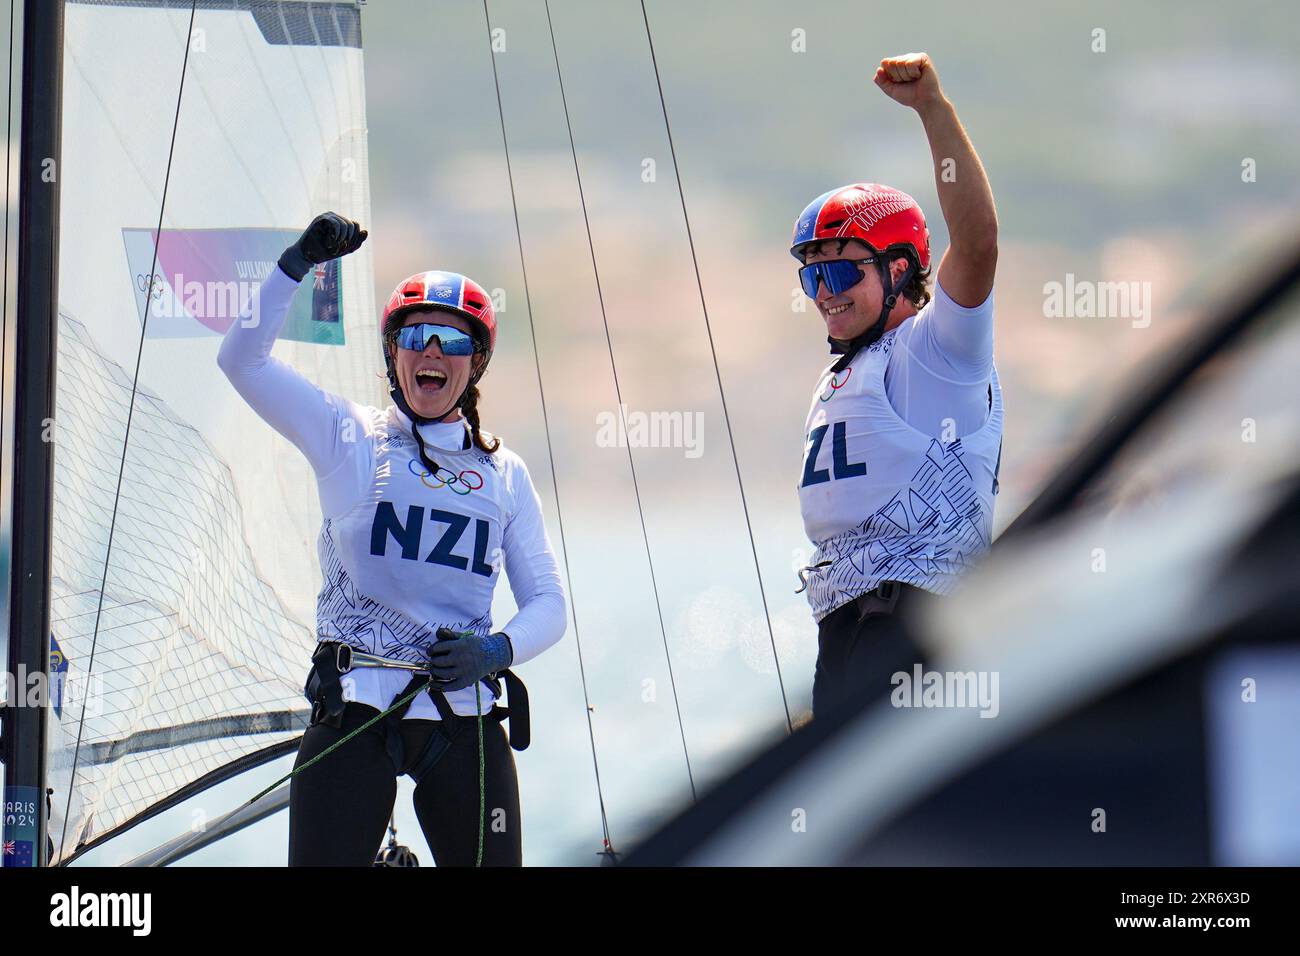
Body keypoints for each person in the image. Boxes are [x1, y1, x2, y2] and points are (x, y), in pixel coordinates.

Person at [218, 212, 566, 865]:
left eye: (453, 342)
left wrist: (497, 649)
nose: (432, 353)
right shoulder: (346, 437)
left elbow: (549, 603)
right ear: (393, 355)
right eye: (417, 336)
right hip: (355, 711)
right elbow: (241, 361)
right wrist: (296, 264)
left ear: (476, 363)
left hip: (463, 719)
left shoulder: (504, 473)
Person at [792, 54, 1003, 717]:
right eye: (812, 277)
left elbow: (978, 246)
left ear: (901, 269)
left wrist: (932, 110)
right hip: (852, 633)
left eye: (842, 273)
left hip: (920, 631)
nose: (825, 294)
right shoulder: (848, 371)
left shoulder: (935, 352)